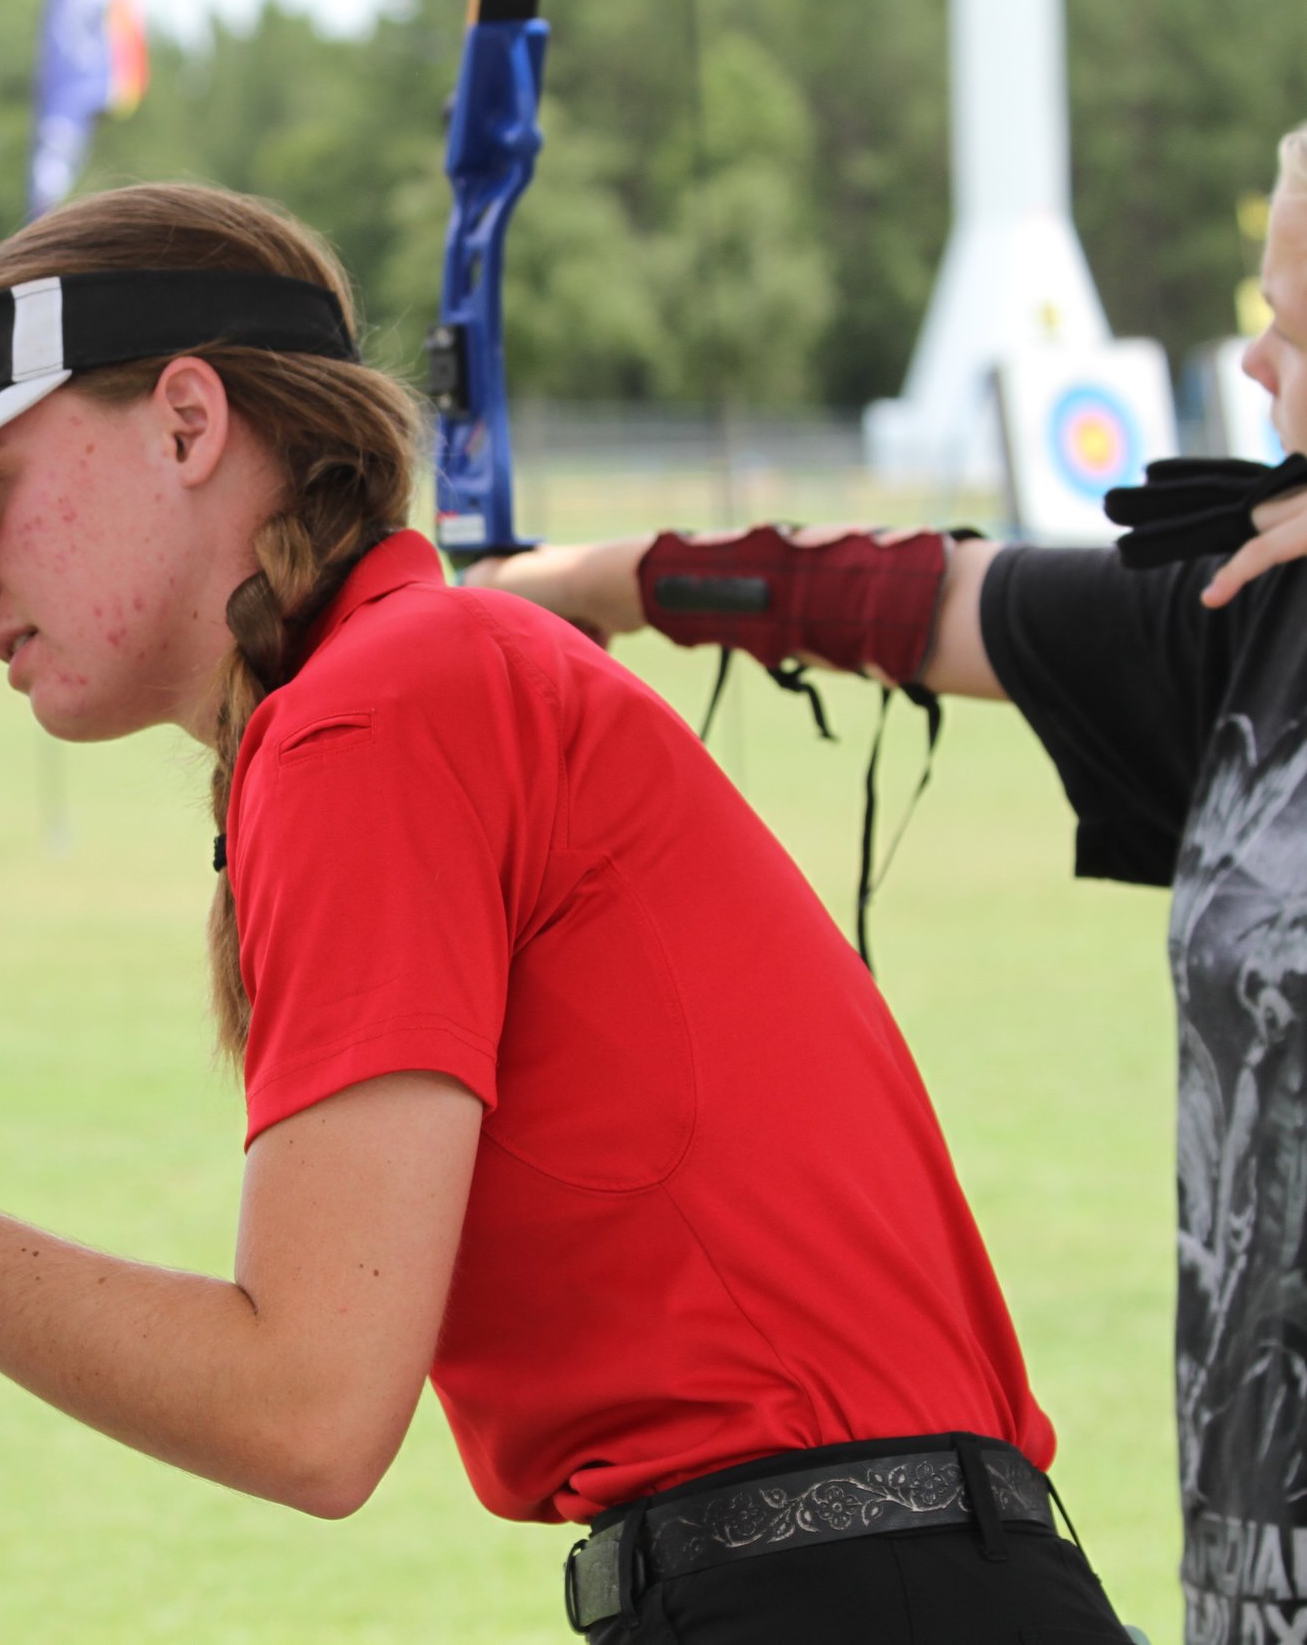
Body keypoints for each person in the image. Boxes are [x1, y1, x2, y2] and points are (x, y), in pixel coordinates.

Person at [0, 182, 1127, 1641]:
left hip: (838, 1590)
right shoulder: (407, 681)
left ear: (187, 421)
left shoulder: (377, 708)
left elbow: (306, 1409)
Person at [468, 124, 1307, 1645]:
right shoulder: (1254, 617)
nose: (1254, 364)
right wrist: (592, 584)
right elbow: (914, 597)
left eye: (1294, 332)